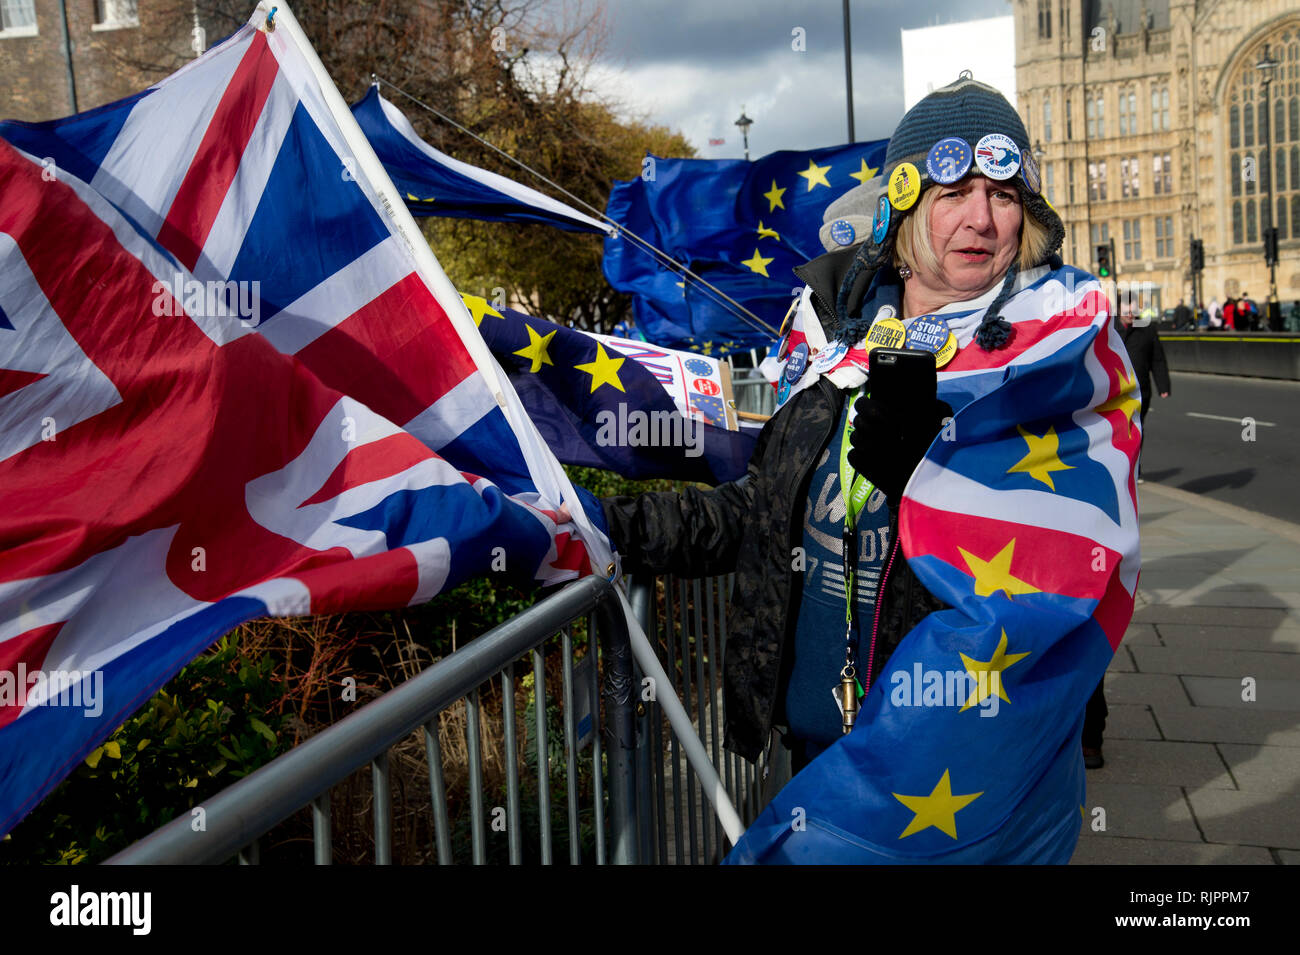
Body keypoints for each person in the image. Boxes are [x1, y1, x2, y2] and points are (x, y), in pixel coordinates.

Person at [602, 76, 1140, 863]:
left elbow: (1054, 565)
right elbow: (765, 509)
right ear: (904, 204)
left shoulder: (1055, 353)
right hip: (826, 756)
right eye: (953, 190)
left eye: (1003, 193)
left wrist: (928, 476)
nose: (981, 218)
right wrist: (616, 524)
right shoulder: (833, 349)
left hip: (963, 771)